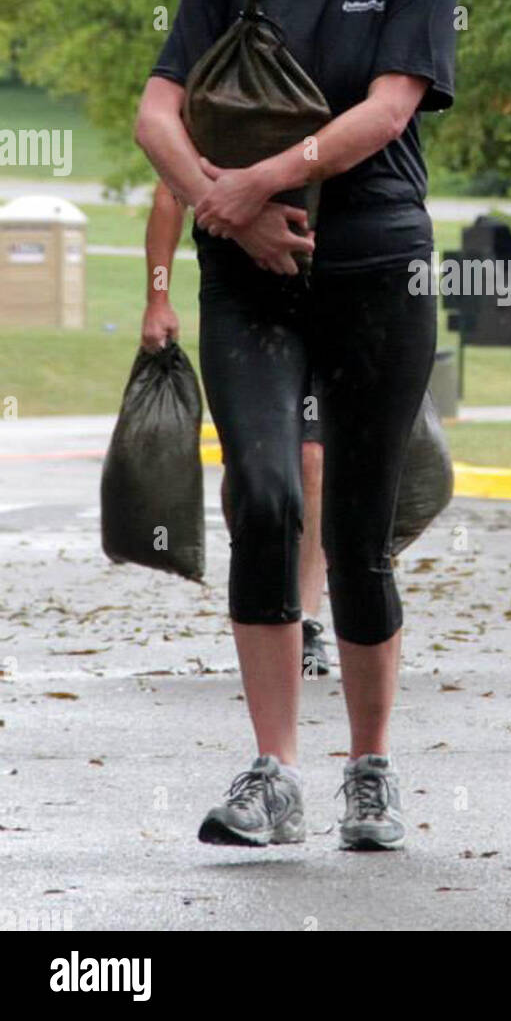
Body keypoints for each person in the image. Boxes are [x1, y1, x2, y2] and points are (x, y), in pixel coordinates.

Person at [134, 0, 457, 850]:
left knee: (359, 531)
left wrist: (256, 181)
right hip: (249, 280)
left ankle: (371, 769)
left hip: (378, 269)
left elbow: (388, 107)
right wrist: (229, 212)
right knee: (266, 496)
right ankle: (275, 770)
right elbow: (157, 109)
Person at [140, 179, 330, 677]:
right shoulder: (205, 104)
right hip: (237, 301)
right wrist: (157, 299)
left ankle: (305, 620)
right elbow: (168, 196)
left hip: (323, 294)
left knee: (312, 456)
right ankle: (262, 571)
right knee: (253, 470)